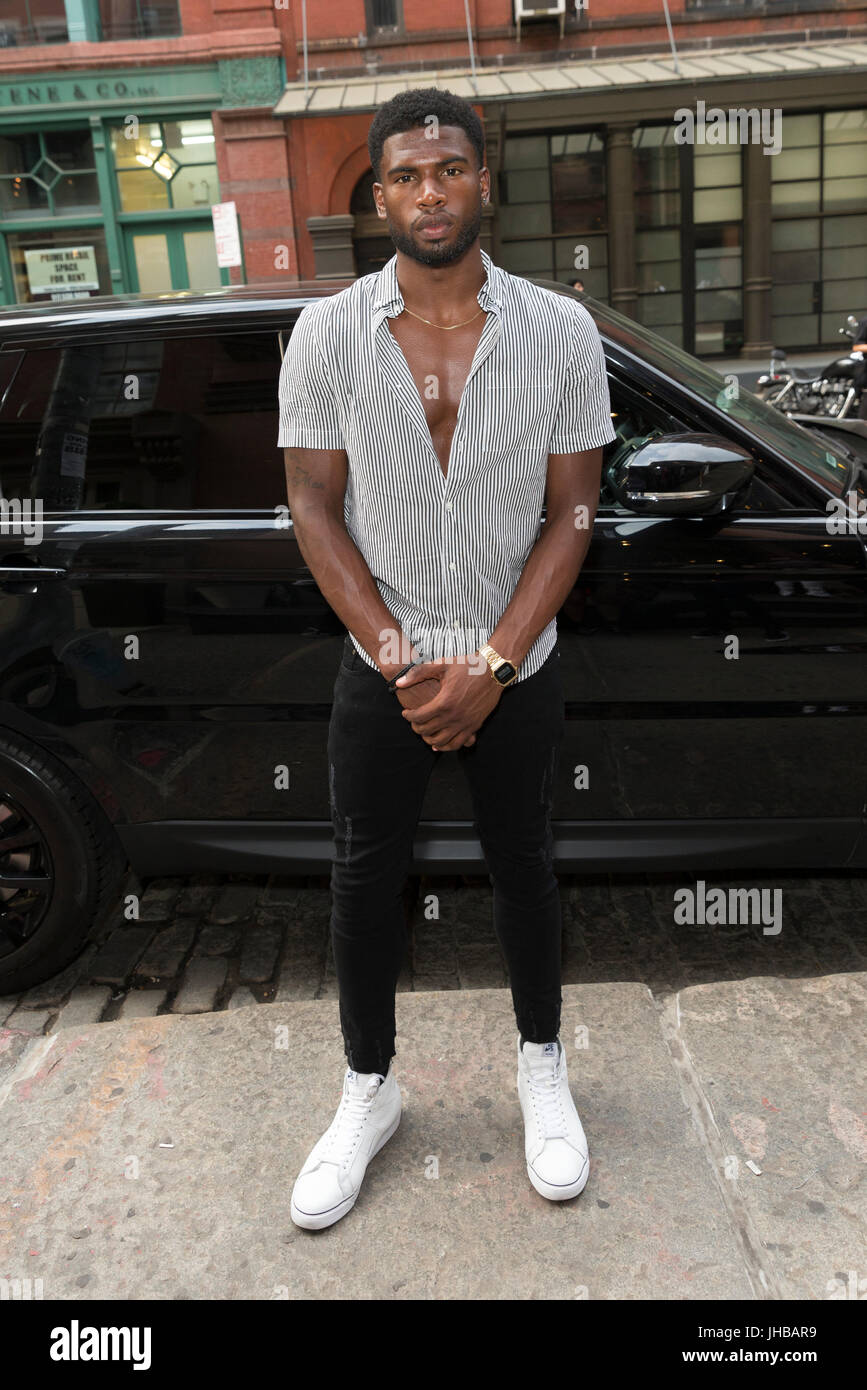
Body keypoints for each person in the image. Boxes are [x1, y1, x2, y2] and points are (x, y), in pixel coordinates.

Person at [278, 87, 616, 1231]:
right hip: (385, 668)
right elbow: (313, 506)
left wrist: (494, 665)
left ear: (485, 181)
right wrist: (399, 658)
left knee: (526, 866)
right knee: (365, 879)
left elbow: (574, 513)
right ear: (381, 195)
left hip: (515, 660)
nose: (432, 191)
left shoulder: (562, 331)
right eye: (409, 175)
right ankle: (367, 1088)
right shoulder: (326, 334)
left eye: (452, 169)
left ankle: (541, 1068)